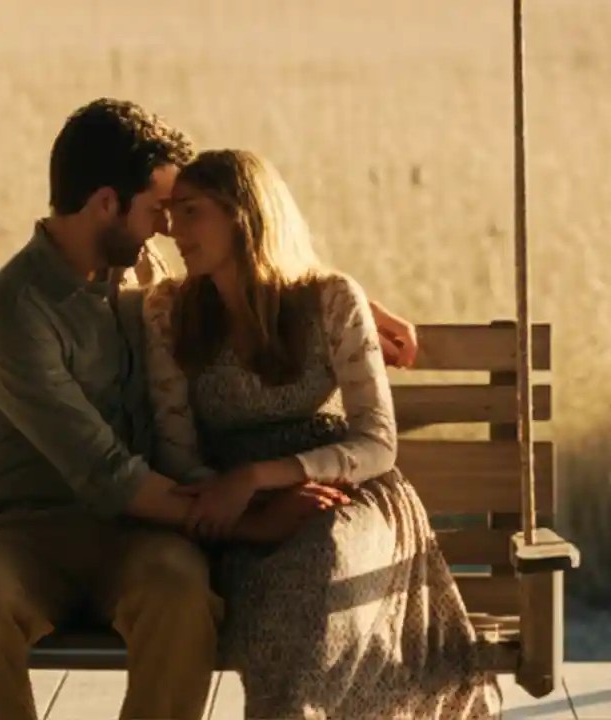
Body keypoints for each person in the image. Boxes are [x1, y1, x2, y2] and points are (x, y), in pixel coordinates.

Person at [0, 98, 418, 720]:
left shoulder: (135, 277)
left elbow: (243, 245)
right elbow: (107, 473)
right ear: (107, 203)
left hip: (143, 534)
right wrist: (247, 522)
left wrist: (350, 306)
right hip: (31, 529)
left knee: (178, 592)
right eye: (158, 210)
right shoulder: (14, 310)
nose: (167, 227)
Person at [141, 149, 503, 719]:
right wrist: (245, 508)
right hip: (234, 510)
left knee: (326, 562)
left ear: (241, 214)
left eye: (190, 213)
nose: (172, 230)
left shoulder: (329, 299)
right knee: (281, 598)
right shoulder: (171, 313)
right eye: (169, 214)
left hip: (340, 490)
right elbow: (177, 450)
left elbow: (378, 442)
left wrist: (264, 475)